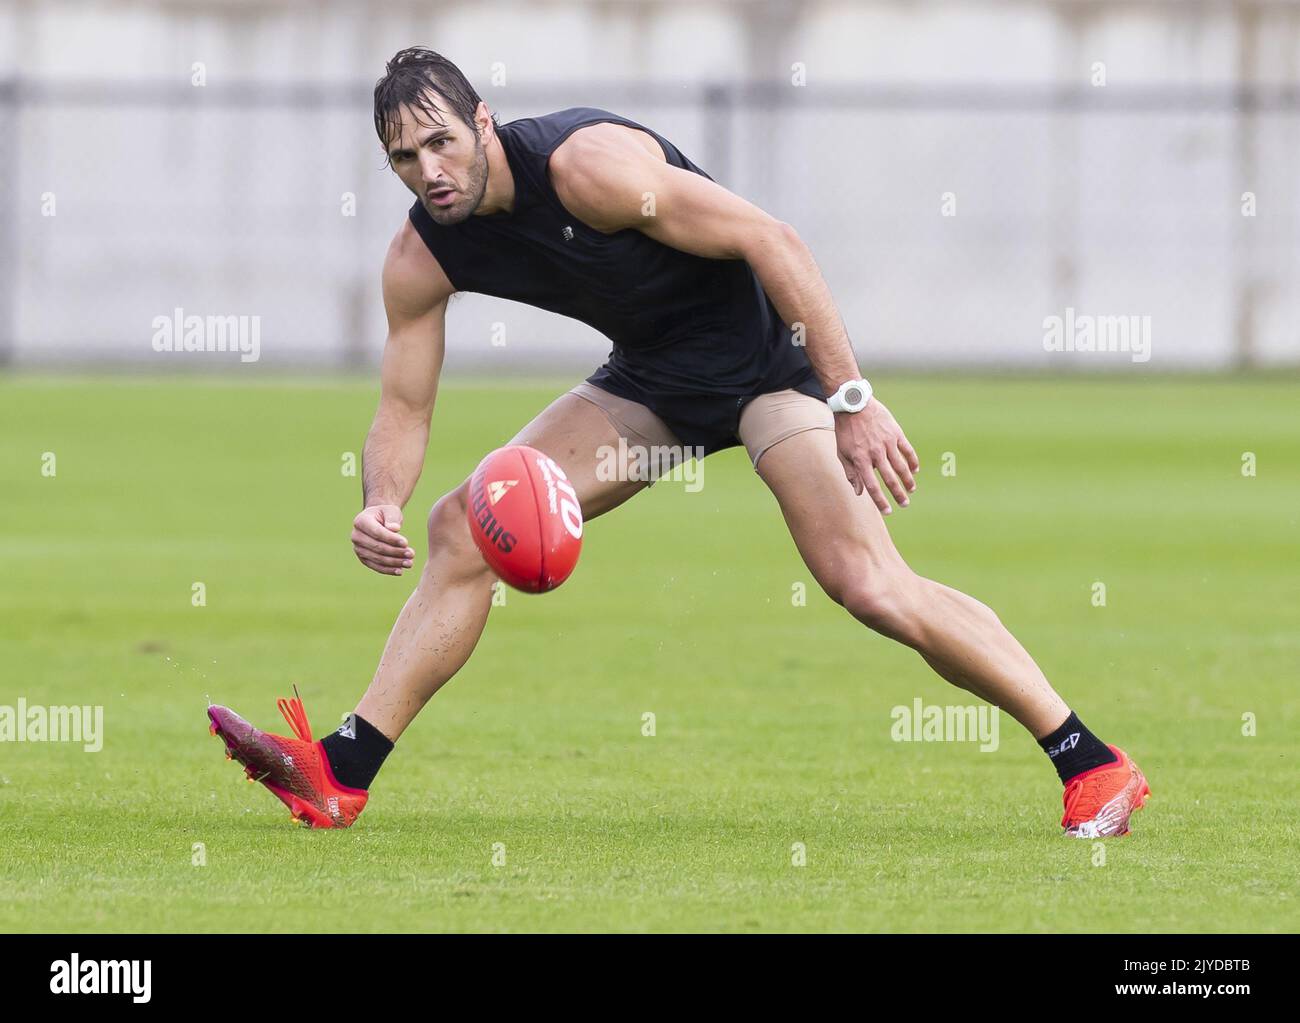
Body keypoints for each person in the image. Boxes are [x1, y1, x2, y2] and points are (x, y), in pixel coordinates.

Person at [208, 48, 1149, 838]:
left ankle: (1090, 759)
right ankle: (342, 770)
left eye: (441, 141)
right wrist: (381, 499)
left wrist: (852, 396)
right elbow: (405, 403)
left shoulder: (588, 167)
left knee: (868, 585)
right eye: (405, 158)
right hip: (654, 385)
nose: (429, 171)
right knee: (463, 525)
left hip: (767, 373)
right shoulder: (424, 254)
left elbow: (771, 238)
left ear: (483, 121)